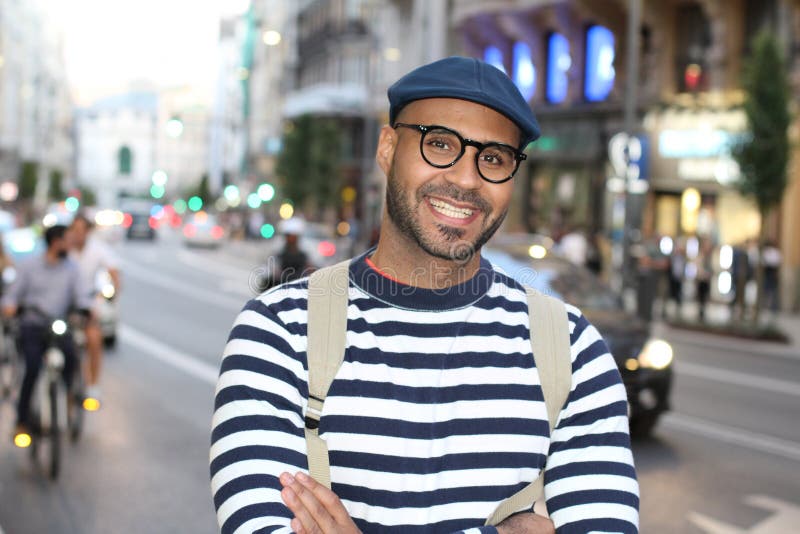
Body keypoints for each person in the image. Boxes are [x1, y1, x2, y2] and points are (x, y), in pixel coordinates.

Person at [210, 56, 639, 533]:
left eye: (494, 158)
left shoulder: (572, 350)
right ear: (388, 148)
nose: (465, 179)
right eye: (440, 144)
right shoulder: (279, 332)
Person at [1, 225, 92, 441]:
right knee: (31, 368)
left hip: (59, 325)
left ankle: (69, 401)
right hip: (32, 325)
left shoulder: (72, 268)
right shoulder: (29, 266)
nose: (71, 244)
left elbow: (82, 295)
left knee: (71, 359)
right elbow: (11, 296)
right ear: (55, 242)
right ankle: (22, 421)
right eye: (66, 240)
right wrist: (11, 307)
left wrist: (85, 308)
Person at [69, 212, 121, 406]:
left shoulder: (97, 249)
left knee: (94, 338)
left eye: (82, 230)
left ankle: (93, 384)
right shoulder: (65, 247)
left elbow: (114, 271)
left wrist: (113, 294)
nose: (78, 234)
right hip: (65, 304)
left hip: (87, 304)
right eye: (74, 230)